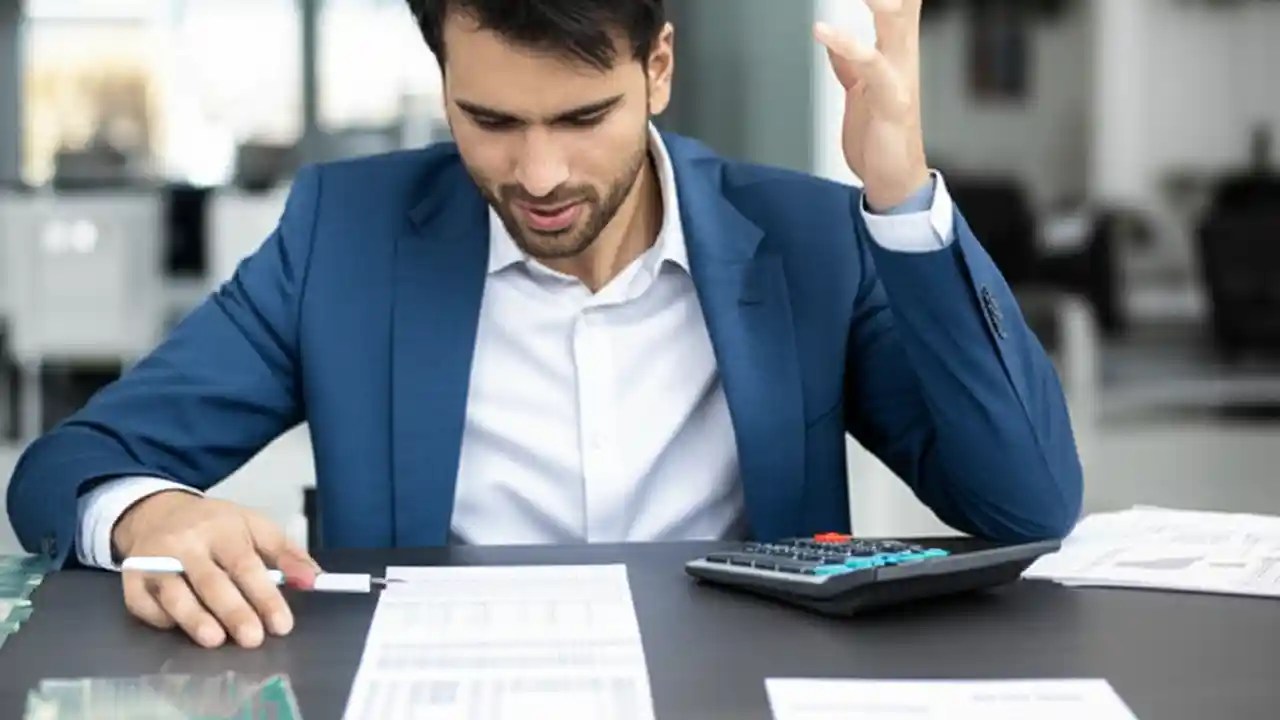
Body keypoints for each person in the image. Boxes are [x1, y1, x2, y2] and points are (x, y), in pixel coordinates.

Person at [6, 0, 1083, 649]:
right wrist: (149, 517)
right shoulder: (346, 235)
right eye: (490, 120)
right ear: (442, 87)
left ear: (656, 68)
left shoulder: (804, 235)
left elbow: (1021, 501)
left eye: (581, 118)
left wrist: (897, 200)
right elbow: (70, 465)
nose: (539, 175)